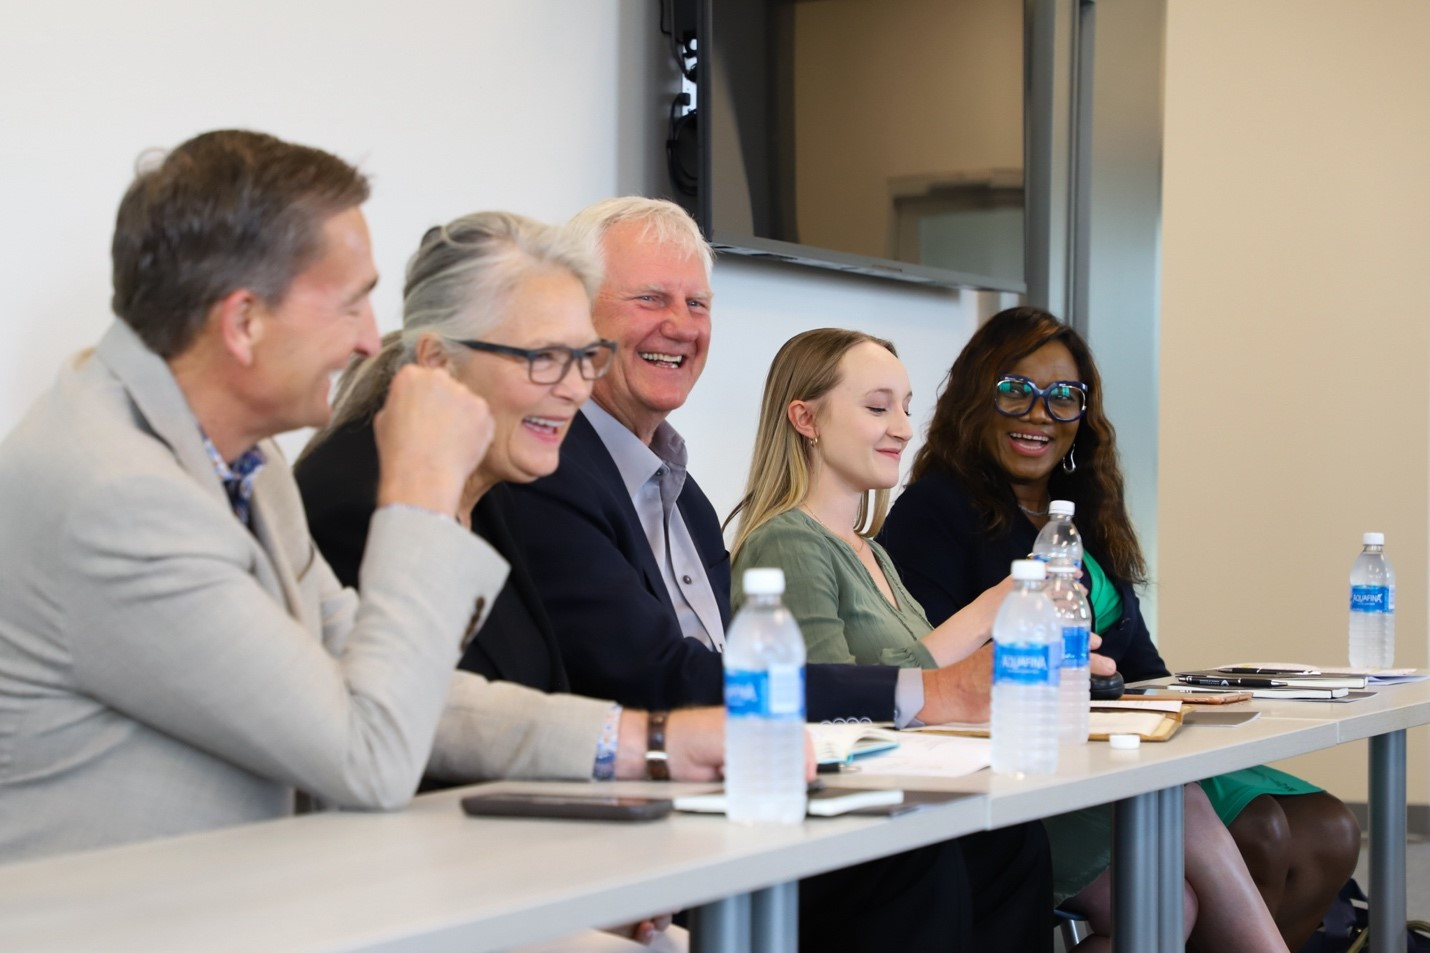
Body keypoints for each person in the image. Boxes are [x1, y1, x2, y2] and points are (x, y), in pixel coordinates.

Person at [0, 133, 720, 871]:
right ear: (243, 321)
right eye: (349, 306)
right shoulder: (117, 495)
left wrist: (651, 744)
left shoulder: (249, 466)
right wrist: (420, 495)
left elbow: (407, 688)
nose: (370, 341)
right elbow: (371, 752)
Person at [494, 197, 1054, 953]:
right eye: (651, 298)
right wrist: (927, 687)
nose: (681, 324)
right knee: (916, 863)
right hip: (653, 810)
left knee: (1005, 845)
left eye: (697, 303)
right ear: (575, 315)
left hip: (743, 786)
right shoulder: (551, 470)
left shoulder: (684, 497)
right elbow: (656, 676)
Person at [727, 325, 1303, 951]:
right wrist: (989, 614)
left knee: (1167, 889)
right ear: (805, 418)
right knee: (1167, 871)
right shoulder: (788, 541)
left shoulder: (868, 552)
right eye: (877, 407)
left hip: (956, 786)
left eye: (906, 406)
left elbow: (923, 681)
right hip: (898, 821)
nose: (901, 427)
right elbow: (834, 703)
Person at [880, 306, 1361, 951]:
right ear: (976, 398)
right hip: (1042, 760)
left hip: (1128, 733)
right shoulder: (936, 510)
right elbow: (942, 671)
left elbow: (1142, 662)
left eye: (1063, 398)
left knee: (1328, 827)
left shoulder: (1085, 513)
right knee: (1264, 833)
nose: (1039, 414)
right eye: (1016, 390)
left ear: (1084, 414)